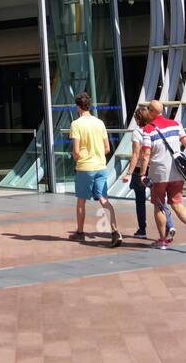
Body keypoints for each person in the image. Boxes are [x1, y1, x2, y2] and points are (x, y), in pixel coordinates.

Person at [138, 100, 186, 252]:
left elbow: (146, 153)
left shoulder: (148, 129)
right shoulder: (176, 124)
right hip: (177, 171)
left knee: (159, 205)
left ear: (152, 111)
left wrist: (142, 174)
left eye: (148, 109)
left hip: (159, 173)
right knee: (177, 204)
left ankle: (162, 240)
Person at [69, 91, 122, 247]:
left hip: (85, 167)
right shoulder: (99, 123)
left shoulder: (76, 124)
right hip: (100, 165)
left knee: (81, 201)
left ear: (78, 106)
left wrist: (76, 157)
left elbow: (76, 151)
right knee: (103, 199)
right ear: (89, 105)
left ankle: (80, 233)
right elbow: (107, 148)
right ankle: (114, 231)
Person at [122, 104, 175, 241]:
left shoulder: (137, 132)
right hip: (155, 168)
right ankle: (170, 225)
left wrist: (129, 172)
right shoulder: (155, 129)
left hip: (141, 170)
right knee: (160, 200)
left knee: (140, 201)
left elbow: (136, 155)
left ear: (138, 119)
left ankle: (142, 230)